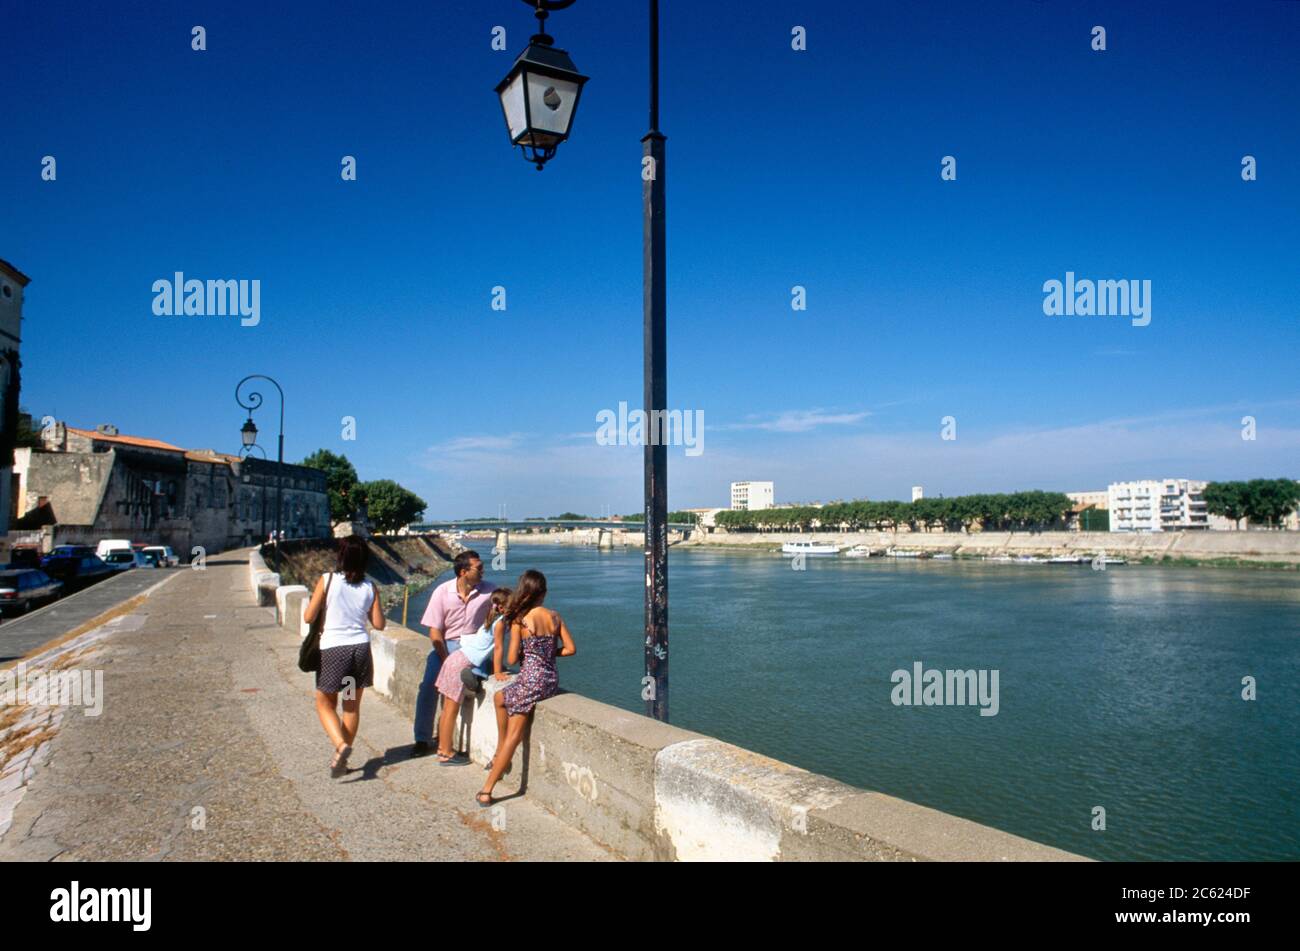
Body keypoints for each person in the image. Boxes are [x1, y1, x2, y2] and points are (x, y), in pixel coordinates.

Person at [477, 570, 575, 806]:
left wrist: (527, 654)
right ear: (544, 593)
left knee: (514, 735)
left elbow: (511, 659)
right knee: (499, 697)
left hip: (530, 681)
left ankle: (488, 788)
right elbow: (570, 649)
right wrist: (548, 653)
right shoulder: (554, 616)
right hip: (550, 679)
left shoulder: (521, 621)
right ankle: (501, 751)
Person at [304, 535, 386, 778]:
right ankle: (341, 760)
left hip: (333, 651)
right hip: (358, 652)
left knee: (325, 703)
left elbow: (309, 617)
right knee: (350, 706)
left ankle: (340, 746)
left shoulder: (327, 580)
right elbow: (379, 624)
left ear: (341, 557)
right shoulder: (370, 587)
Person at [412, 550, 496, 756]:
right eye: (479, 567)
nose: (483, 570)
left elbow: (508, 608)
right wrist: (445, 658)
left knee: (471, 674)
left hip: (473, 647)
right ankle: (422, 739)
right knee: (428, 686)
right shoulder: (442, 592)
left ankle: (475, 677)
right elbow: (434, 630)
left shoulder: (490, 591)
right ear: (463, 572)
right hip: (447, 645)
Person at [432, 587, 511, 763]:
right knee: (451, 710)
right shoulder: (500, 624)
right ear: (501, 607)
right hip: (461, 663)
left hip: (455, 658)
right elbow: (498, 648)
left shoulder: (489, 620)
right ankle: (446, 753)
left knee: (447, 709)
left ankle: (441, 748)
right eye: (510, 605)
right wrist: (497, 672)